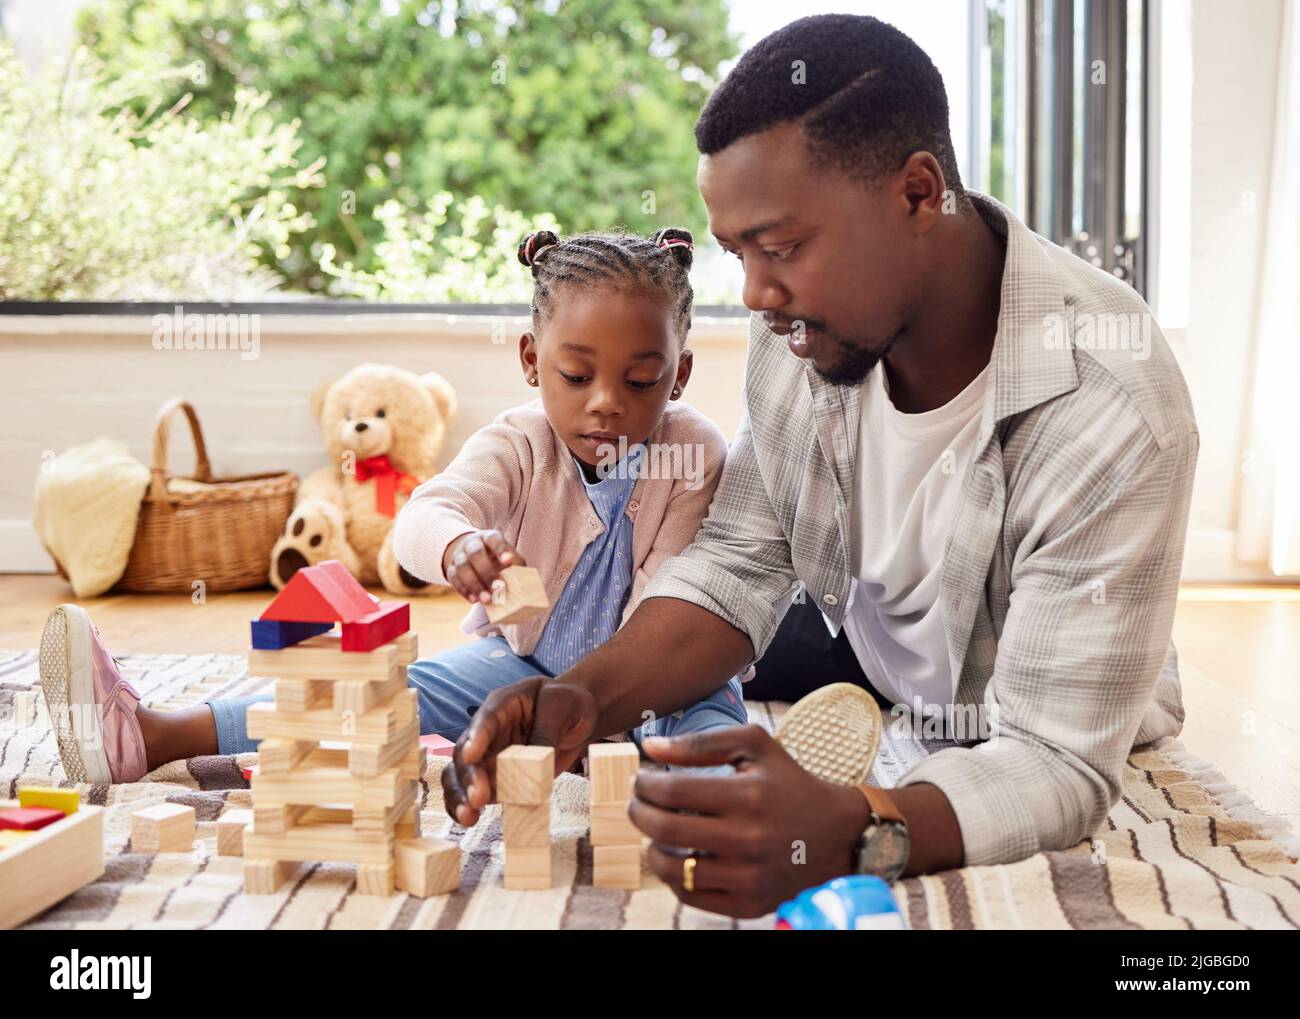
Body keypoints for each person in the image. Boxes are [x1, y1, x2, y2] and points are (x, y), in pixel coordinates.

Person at [439, 14, 1198, 919]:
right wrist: (581, 696)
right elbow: (741, 562)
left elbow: (1058, 759)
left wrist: (852, 825)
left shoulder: (1108, 407)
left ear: (919, 194)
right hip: (866, 622)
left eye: (783, 247)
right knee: (708, 645)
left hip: (999, 680)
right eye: (738, 256)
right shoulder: (805, 336)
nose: (756, 295)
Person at [39, 227, 748, 787]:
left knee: (708, 720)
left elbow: (668, 606)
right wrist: (456, 546)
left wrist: (608, 720)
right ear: (532, 360)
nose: (606, 401)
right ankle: (157, 733)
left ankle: (713, 792)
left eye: (642, 379)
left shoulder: (693, 451)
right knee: (385, 690)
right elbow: (422, 515)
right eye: (575, 374)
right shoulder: (521, 441)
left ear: (679, 373)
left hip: (656, 675)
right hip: (522, 669)